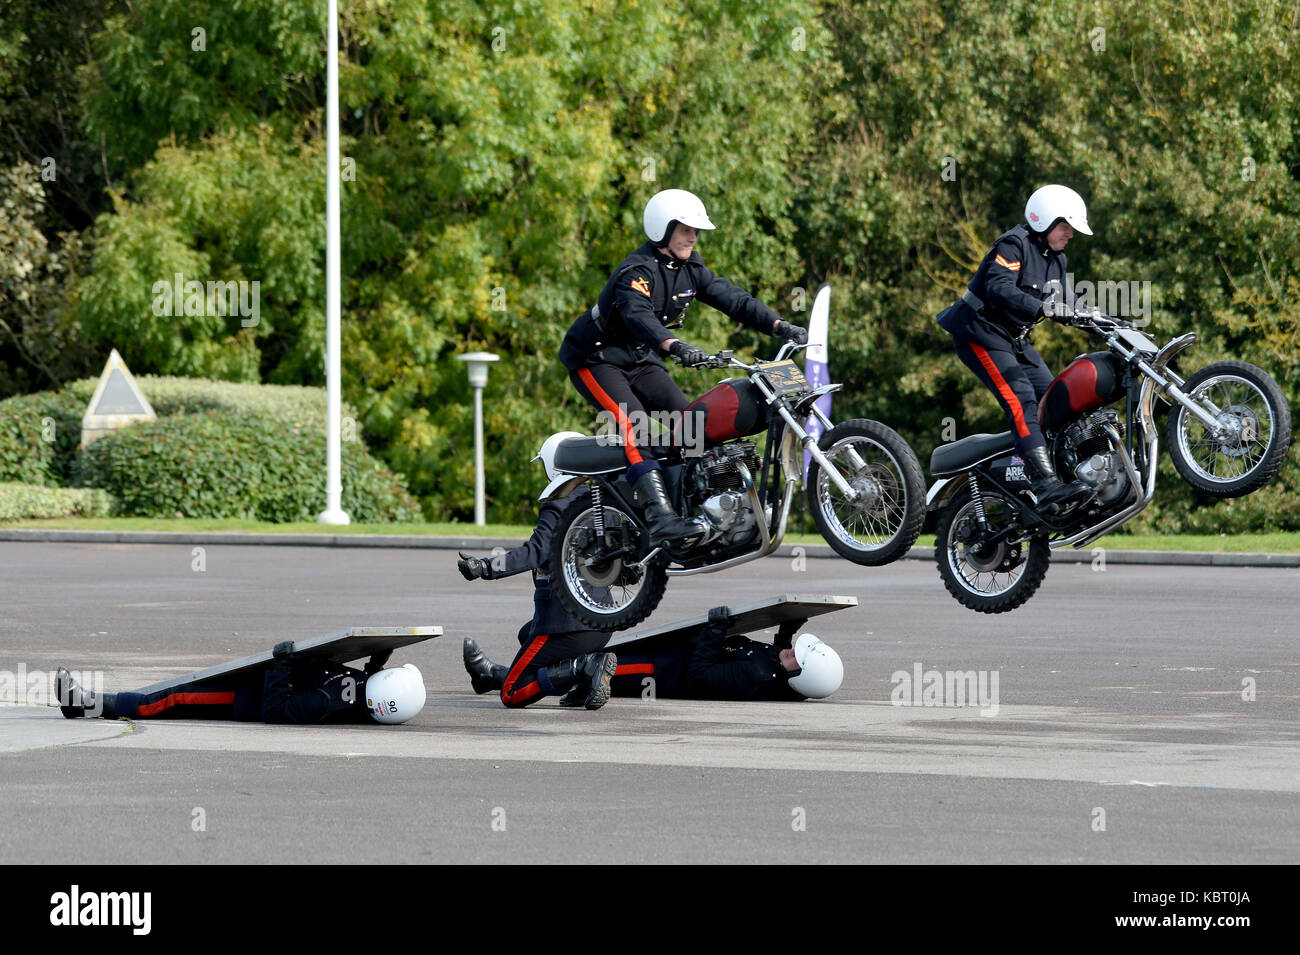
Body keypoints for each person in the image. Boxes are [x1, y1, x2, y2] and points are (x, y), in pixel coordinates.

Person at [558, 188, 808, 544]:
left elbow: (734, 300)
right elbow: (639, 316)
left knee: (692, 426)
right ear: (663, 228)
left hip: (642, 359)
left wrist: (780, 326)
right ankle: (660, 520)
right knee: (636, 429)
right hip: (597, 360)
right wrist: (676, 346)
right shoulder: (636, 272)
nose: (693, 237)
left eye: (695, 231)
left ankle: (698, 509)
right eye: (686, 229)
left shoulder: (689, 269)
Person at [936, 184, 1095, 510]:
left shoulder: (1057, 259)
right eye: (1065, 227)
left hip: (1015, 339)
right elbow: (998, 288)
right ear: (1045, 221)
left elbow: (1067, 301)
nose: (1070, 235)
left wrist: (1101, 319)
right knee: (1021, 399)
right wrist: (1042, 308)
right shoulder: (1013, 245)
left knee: (1058, 398)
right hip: (980, 333)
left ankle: (1068, 477)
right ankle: (1044, 484)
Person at [457, 489, 618, 710]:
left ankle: (583, 667)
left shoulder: (559, 503)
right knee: (526, 634)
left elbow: (536, 551)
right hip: (602, 623)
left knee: (511, 692)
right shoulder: (603, 503)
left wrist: (485, 567)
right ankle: (580, 682)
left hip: (568, 628)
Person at [53, 643, 426, 725]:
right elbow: (363, 684)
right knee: (171, 696)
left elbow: (276, 711)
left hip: (243, 698)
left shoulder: (326, 703)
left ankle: (86, 703)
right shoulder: (364, 696)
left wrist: (282, 665)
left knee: (167, 701)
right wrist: (377, 656)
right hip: (257, 682)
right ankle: (87, 702)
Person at [606, 606, 844, 702]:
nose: (792, 651)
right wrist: (784, 635)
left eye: (797, 657)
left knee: (599, 667)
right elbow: (776, 664)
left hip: (657, 670)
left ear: (799, 678)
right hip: (669, 654)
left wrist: (715, 631)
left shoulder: (752, 676)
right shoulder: (783, 676)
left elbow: (699, 676)